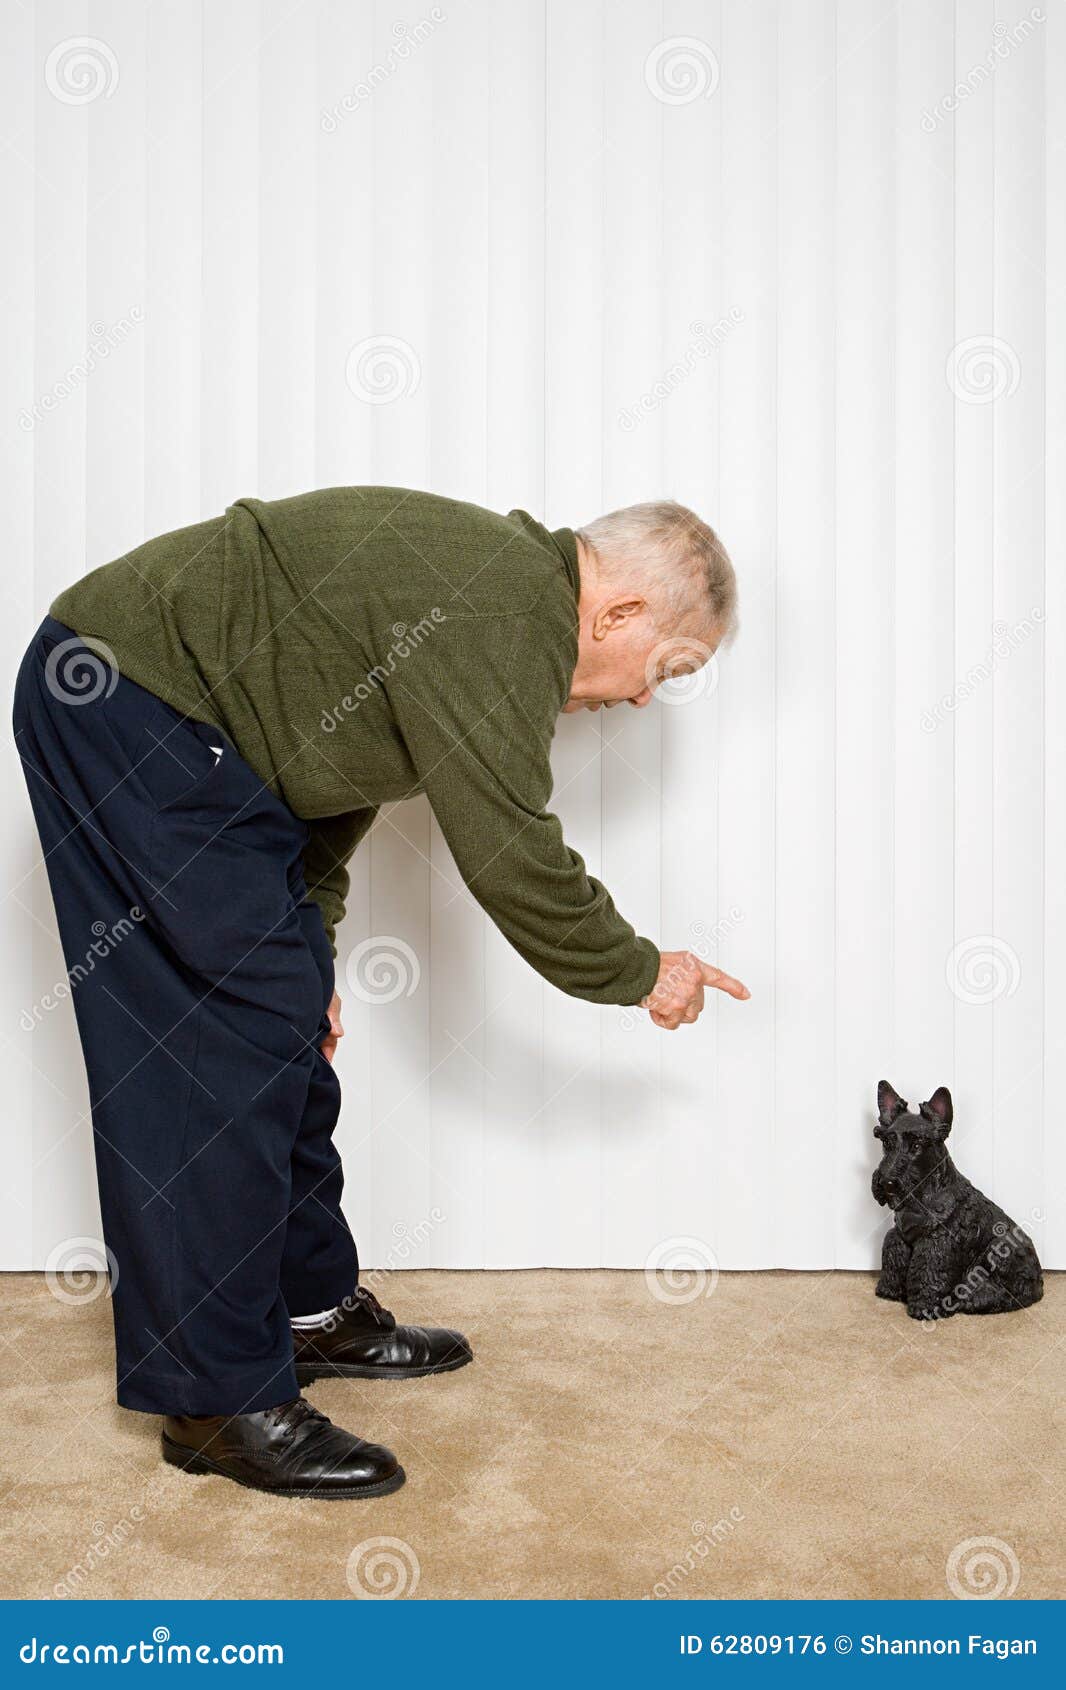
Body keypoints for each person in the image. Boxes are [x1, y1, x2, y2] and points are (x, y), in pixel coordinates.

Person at [12, 488, 750, 1499]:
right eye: (663, 673)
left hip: (183, 722)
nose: (637, 701)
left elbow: (318, 770)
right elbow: (510, 852)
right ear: (616, 614)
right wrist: (636, 970)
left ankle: (308, 1310)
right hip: (126, 696)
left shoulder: (489, 600)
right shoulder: (504, 611)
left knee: (283, 1017)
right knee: (215, 1050)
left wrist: (305, 948)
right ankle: (216, 1399)